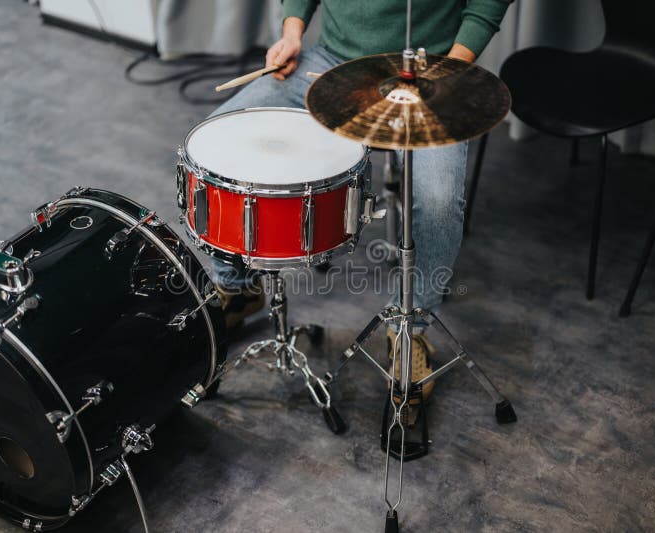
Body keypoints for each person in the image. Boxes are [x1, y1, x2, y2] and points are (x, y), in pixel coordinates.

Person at [210, 0, 512, 416]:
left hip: (429, 71)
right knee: (222, 139)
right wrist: (292, 32)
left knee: (439, 199)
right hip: (332, 62)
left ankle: (411, 329)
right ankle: (238, 287)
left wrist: (451, 69)